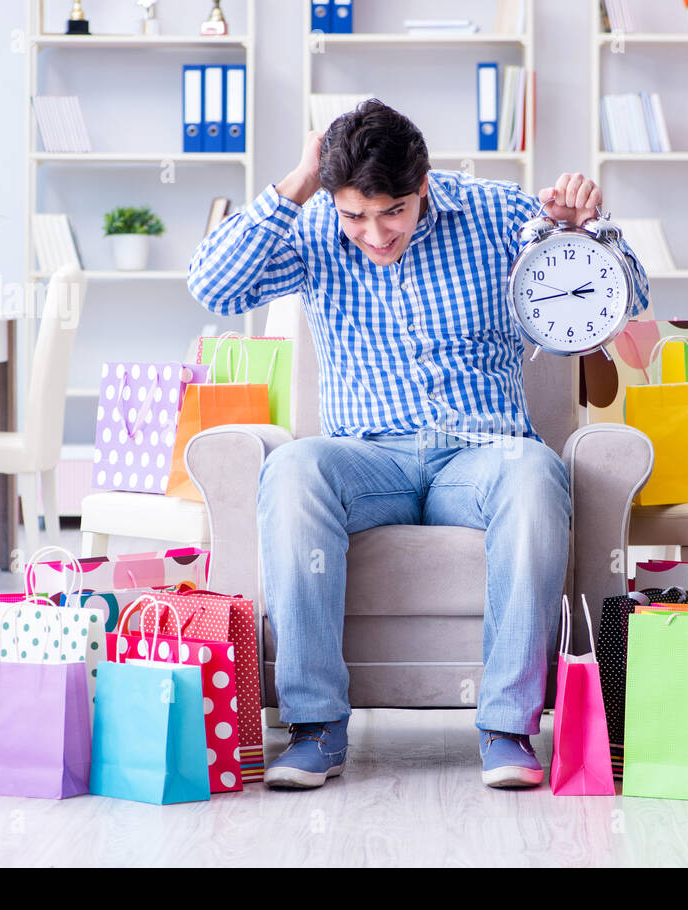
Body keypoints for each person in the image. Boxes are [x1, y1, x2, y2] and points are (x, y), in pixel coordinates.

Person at [188, 99, 649, 789]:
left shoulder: (496, 214)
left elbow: (627, 298)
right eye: (356, 215)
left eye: (392, 211)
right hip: (366, 458)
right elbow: (211, 286)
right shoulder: (314, 225)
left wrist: (592, 232)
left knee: (536, 472)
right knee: (291, 468)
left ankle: (506, 726)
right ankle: (314, 728)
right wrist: (299, 182)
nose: (374, 234)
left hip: (483, 455)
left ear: (424, 183)